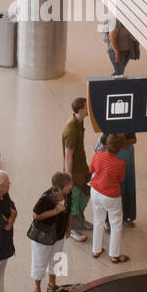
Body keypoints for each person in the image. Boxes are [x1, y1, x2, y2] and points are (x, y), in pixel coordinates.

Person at [30, 171, 73, 292]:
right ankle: (37, 289)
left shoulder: (68, 194)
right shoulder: (46, 199)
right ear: (58, 188)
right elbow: (36, 216)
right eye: (68, 185)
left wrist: (68, 227)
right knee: (40, 261)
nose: (71, 186)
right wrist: (55, 211)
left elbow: (69, 211)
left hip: (59, 234)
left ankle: (52, 285)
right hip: (44, 237)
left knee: (56, 258)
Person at [89, 132, 128, 263]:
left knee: (98, 220)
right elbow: (121, 179)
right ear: (120, 148)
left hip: (95, 191)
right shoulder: (120, 164)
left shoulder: (97, 155)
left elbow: (91, 170)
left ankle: (96, 249)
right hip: (111, 196)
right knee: (116, 223)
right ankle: (114, 254)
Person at [62, 96, 90, 242]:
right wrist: (69, 177)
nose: (88, 108)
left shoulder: (80, 121)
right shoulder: (71, 129)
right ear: (81, 110)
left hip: (83, 166)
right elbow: (68, 156)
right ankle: (72, 228)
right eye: (86, 107)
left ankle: (80, 221)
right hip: (74, 171)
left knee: (86, 194)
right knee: (74, 200)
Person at [119, 134, 137, 225]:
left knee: (128, 185)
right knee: (115, 186)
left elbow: (134, 139)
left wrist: (124, 143)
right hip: (115, 152)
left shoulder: (129, 122)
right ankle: (108, 220)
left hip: (127, 154)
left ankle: (128, 215)